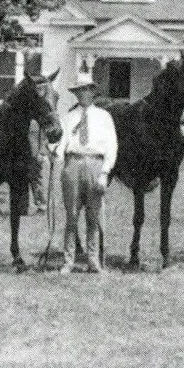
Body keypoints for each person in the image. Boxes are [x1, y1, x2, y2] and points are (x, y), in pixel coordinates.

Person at [56, 74, 118, 273]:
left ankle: (93, 260)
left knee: (94, 216)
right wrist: (54, 154)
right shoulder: (68, 117)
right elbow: (61, 144)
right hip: (73, 164)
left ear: (93, 92)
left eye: (86, 90)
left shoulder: (104, 116)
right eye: (79, 91)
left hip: (95, 165)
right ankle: (68, 260)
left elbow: (112, 146)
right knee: (71, 216)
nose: (82, 94)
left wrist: (104, 173)